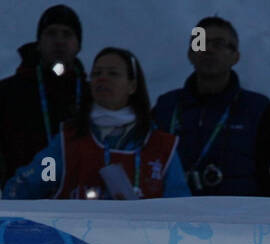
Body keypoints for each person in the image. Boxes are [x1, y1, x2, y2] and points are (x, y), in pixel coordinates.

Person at [3, 47, 188, 199]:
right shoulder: (67, 143)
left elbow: (180, 212)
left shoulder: (163, 149)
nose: (102, 78)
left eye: (113, 73)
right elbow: (30, 184)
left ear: (132, 86)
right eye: (97, 73)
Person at [152, 16, 270, 197]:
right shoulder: (166, 106)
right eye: (201, 43)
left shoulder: (258, 109)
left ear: (236, 56)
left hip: (237, 221)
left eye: (218, 44)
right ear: (190, 53)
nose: (208, 49)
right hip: (174, 219)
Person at [0, 4, 89, 185]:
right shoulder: (8, 93)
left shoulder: (92, 96)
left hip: (80, 202)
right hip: (21, 200)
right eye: (51, 33)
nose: (59, 41)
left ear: (78, 45)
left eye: (67, 34)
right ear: (38, 43)